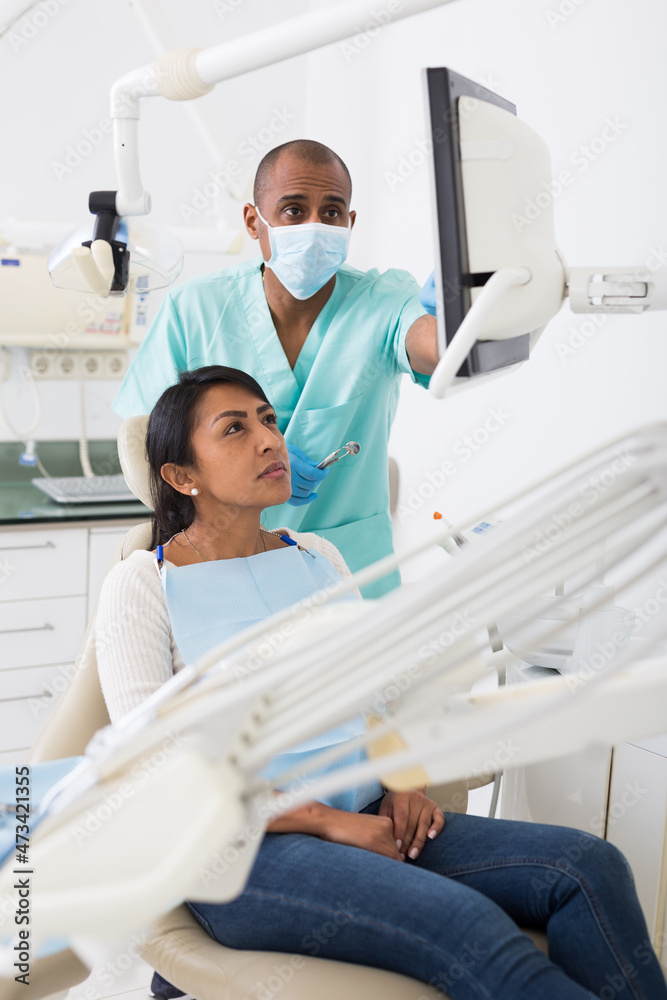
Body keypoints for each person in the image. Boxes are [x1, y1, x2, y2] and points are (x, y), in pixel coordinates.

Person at [96, 365, 667, 1000]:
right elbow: (152, 769)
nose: (268, 440)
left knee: (589, 868)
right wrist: (321, 820)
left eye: (268, 420)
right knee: (468, 925)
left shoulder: (316, 556)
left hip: (371, 813)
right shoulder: (143, 584)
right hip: (243, 850)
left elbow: (377, 698)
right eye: (235, 429)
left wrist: (404, 779)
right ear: (182, 477)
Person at [112, 139, 441, 597]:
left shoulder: (380, 301)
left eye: (331, 212)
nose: (314, 225)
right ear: (254, 221)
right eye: (292, 210)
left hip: (350, 570)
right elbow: (150, 438)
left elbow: (435, 347)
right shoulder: (197, 308)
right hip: (225, 565)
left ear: (349, 222)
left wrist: (464, 308)